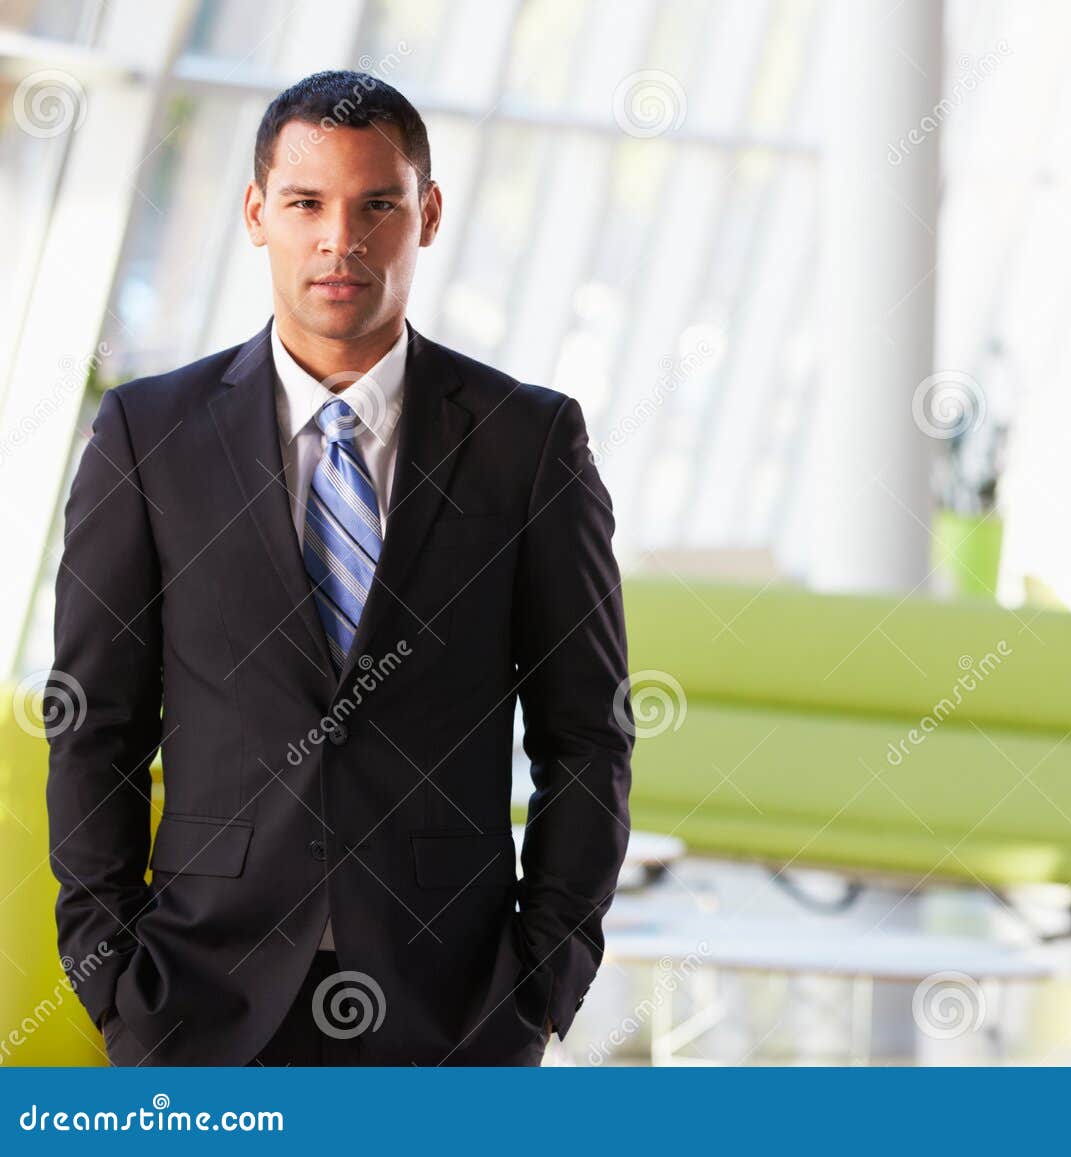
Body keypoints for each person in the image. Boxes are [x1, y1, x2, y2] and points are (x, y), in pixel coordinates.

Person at [46, 70, 633, 1066]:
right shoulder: (149, 435)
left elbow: (585, 734)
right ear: (255, 213)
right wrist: (113, 980)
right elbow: (95, 724)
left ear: (427, 214)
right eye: (306, 204)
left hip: (452, 1002)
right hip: (199, 998)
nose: (338, 240)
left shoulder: (527, 443)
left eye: (377, 206)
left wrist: (542, 979)